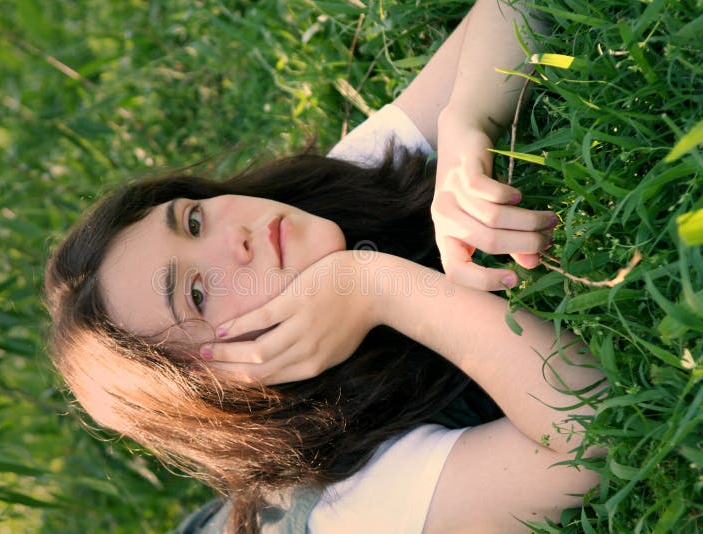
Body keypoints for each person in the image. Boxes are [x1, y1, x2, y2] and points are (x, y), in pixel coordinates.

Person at [44, 1, 606, 532]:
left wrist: (467, 121)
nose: (232, 239)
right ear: (218, 381)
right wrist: (378, 288)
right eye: (196, 293)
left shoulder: (322, 204)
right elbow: (594, 432)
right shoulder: (350, 502)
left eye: (192, 221)